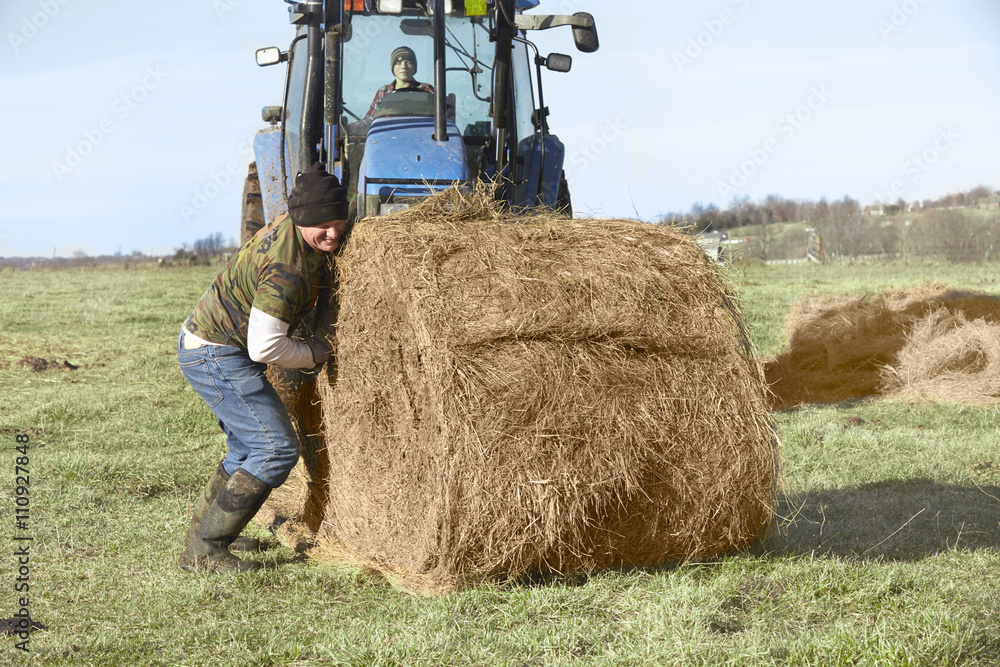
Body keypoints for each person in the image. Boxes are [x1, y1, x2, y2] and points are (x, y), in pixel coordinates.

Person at [176, 162, 348, 573]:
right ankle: (205, 551)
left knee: (245, 448)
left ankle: (203, 537)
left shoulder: (292, 226)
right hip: (215, 353)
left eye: (339, 222)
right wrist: (315, 354)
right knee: (275, 448)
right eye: (321, 226)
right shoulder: (286, 270)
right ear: (302, 221)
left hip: (209, 343)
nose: (334, 233)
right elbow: (265, 344)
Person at [362, 46, 434, 121]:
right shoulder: (383, 92)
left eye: (408, 63)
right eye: (399, 63)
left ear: (414, 67)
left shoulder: (427, 89)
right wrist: (349, 128)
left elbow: (442, 115)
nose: (403, 67)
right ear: (392, 68)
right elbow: (369, 120)